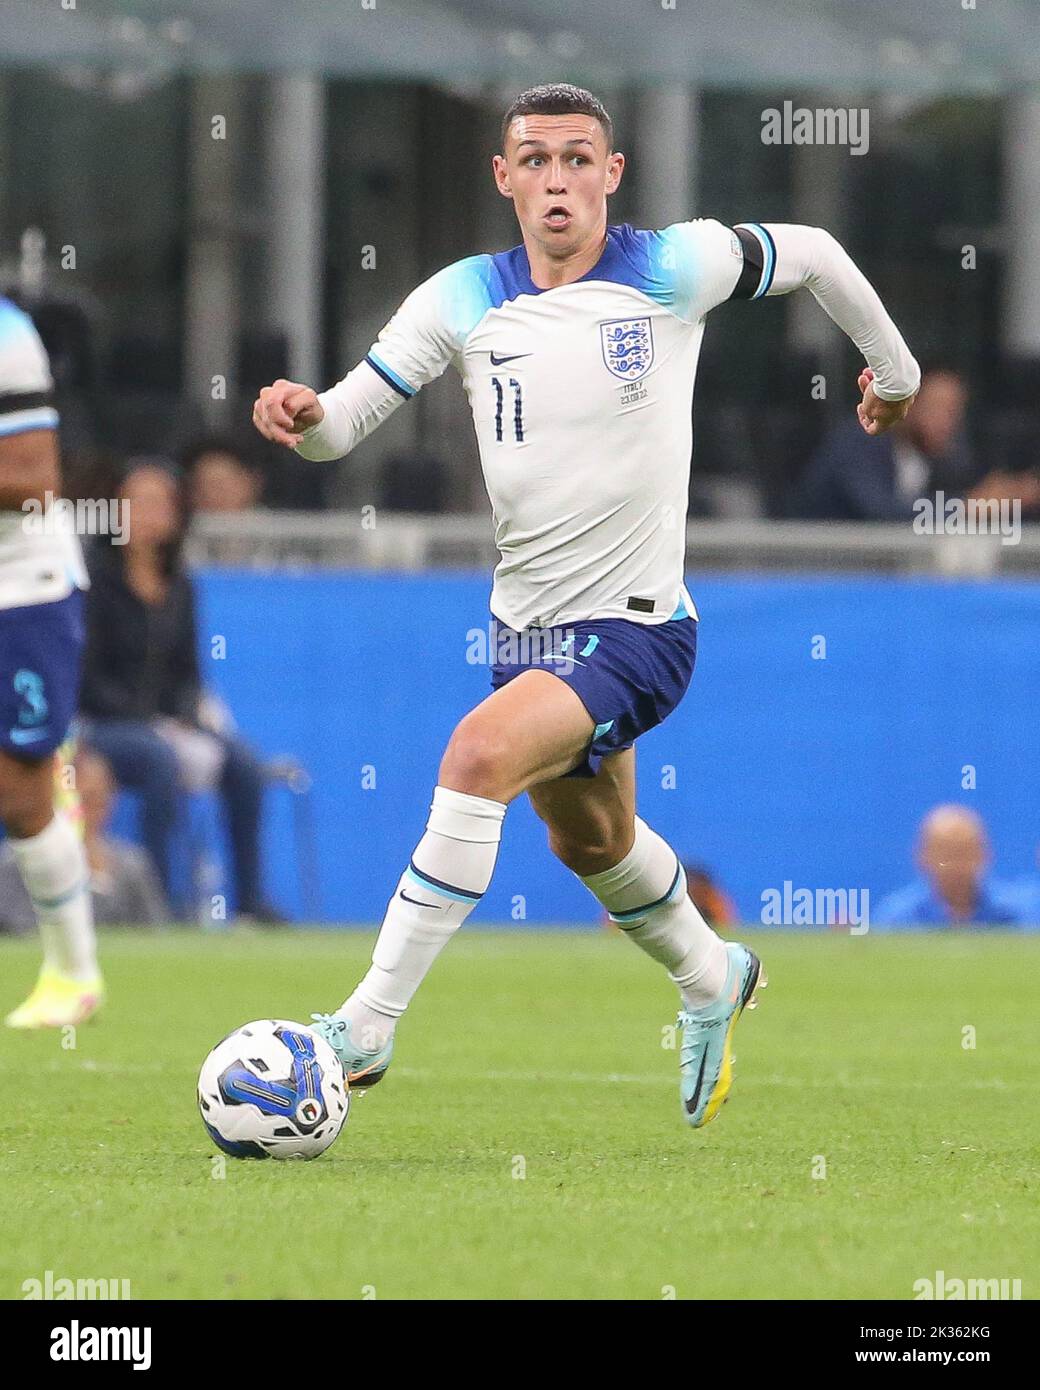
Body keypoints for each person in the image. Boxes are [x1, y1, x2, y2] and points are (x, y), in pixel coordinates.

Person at [253, 83, 919, 1129]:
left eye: (577, 160)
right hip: (524, 634)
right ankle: (711, 975)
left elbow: (820, 252)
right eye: (535, 160)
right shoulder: (462, 296)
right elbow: (347, 422)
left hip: (638, 631)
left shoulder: (671, 268)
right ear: (503, 177)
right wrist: (302, 416)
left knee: (474, 760)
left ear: (610, 175)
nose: (556, 179)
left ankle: (367, 1024)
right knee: (592, 843)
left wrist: (894, 368)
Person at [78, 460, 279, 922]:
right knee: (158, 761)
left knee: (244, 765)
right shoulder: (92, 580)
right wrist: (148, 720)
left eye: (160, 503)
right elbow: (87, 679)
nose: (149, 514)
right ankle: (160, 903)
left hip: (164, 726)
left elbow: (189, 674)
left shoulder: (181, 586)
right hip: (101, 727)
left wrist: (184, 712)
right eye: (137, 502)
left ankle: (250, 906)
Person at [0, 295, 103, 1028]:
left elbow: (36, 482)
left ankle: (73, 975)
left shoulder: (8, 337)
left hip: (21, 589)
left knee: (20, 791)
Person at [0, 748, 169, 931]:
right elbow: (15, 928)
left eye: (99, 800)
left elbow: (156, 931)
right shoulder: (16, 861)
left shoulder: (132, 865)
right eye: (81, 801)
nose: (90, 811)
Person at [799, 366, 967, 520]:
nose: (946, 422)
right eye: (935, 408)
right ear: (905, 403)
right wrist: (964, 507)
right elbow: (883, 513)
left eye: (953, 412)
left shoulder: (943, 458)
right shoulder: (859, 442)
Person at [874, 805, 1031, 929]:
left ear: (986, 854)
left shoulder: (1018, 916)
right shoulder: (897, 920)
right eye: (946, 853)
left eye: (965, 852)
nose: (956, 864)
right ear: (922, 856)